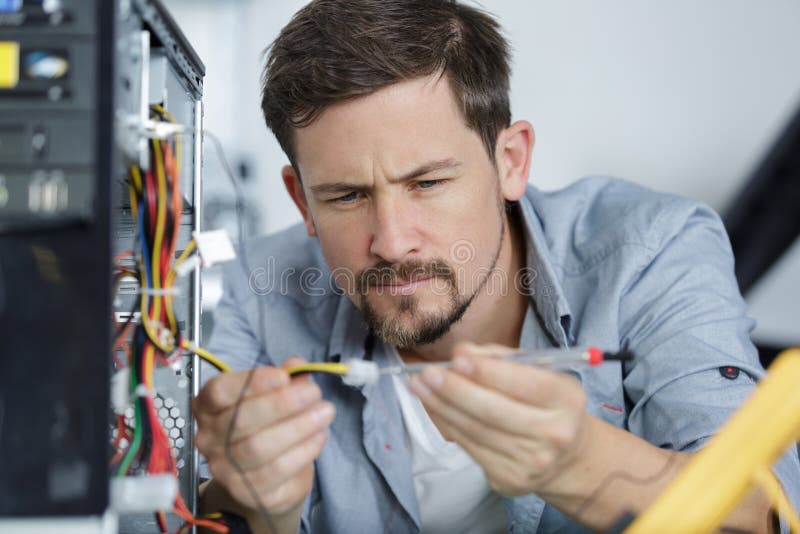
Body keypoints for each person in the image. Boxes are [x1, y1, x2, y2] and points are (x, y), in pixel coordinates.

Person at [193, 1, 800, 532]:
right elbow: (196, 511)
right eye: (347, 196)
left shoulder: (651, 249)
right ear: (302, 201)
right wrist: (266, 513)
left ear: (510, 161)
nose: (393, 242)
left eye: (427, 182)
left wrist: (579, 464)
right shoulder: (258, 290)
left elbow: (766, 512)